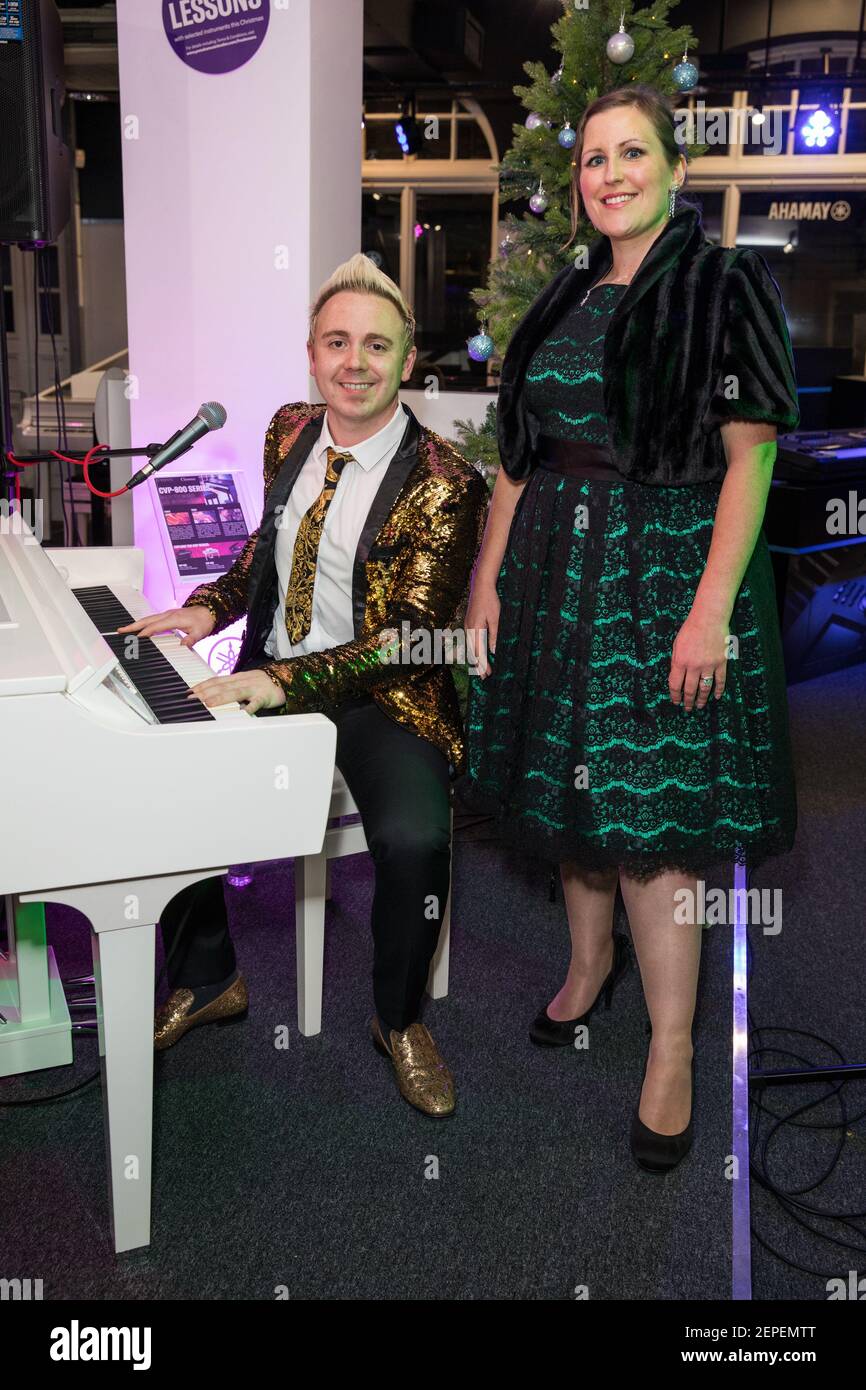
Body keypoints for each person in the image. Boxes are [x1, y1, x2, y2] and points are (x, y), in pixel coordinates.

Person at [460, 85, 800, 1171]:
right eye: (593, 158)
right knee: (577, 792)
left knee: (652, 820)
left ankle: (671, 1045)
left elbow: (750, 458)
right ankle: (587, 965)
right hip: (555, 574)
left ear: (674, 169)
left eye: (631, 153)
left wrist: (710, 611)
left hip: (662, 579)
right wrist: (487, 581)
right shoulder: (563, 293)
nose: (609, 174)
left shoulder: (723, 283)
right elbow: (519, 458)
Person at [118, 254, 488, 1118]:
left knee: (415, 839)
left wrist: (279, 682)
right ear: (313, 355)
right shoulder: (289, 427)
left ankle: (398, 1019)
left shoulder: (447, 483)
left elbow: (407, 641)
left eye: (376, 346)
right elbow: (265, 544)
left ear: (407, 360)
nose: (355, 362)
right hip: (274, 667)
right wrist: (207, 608)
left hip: (385, 697)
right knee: (169, 782)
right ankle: (210, 976)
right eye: (337, 343)